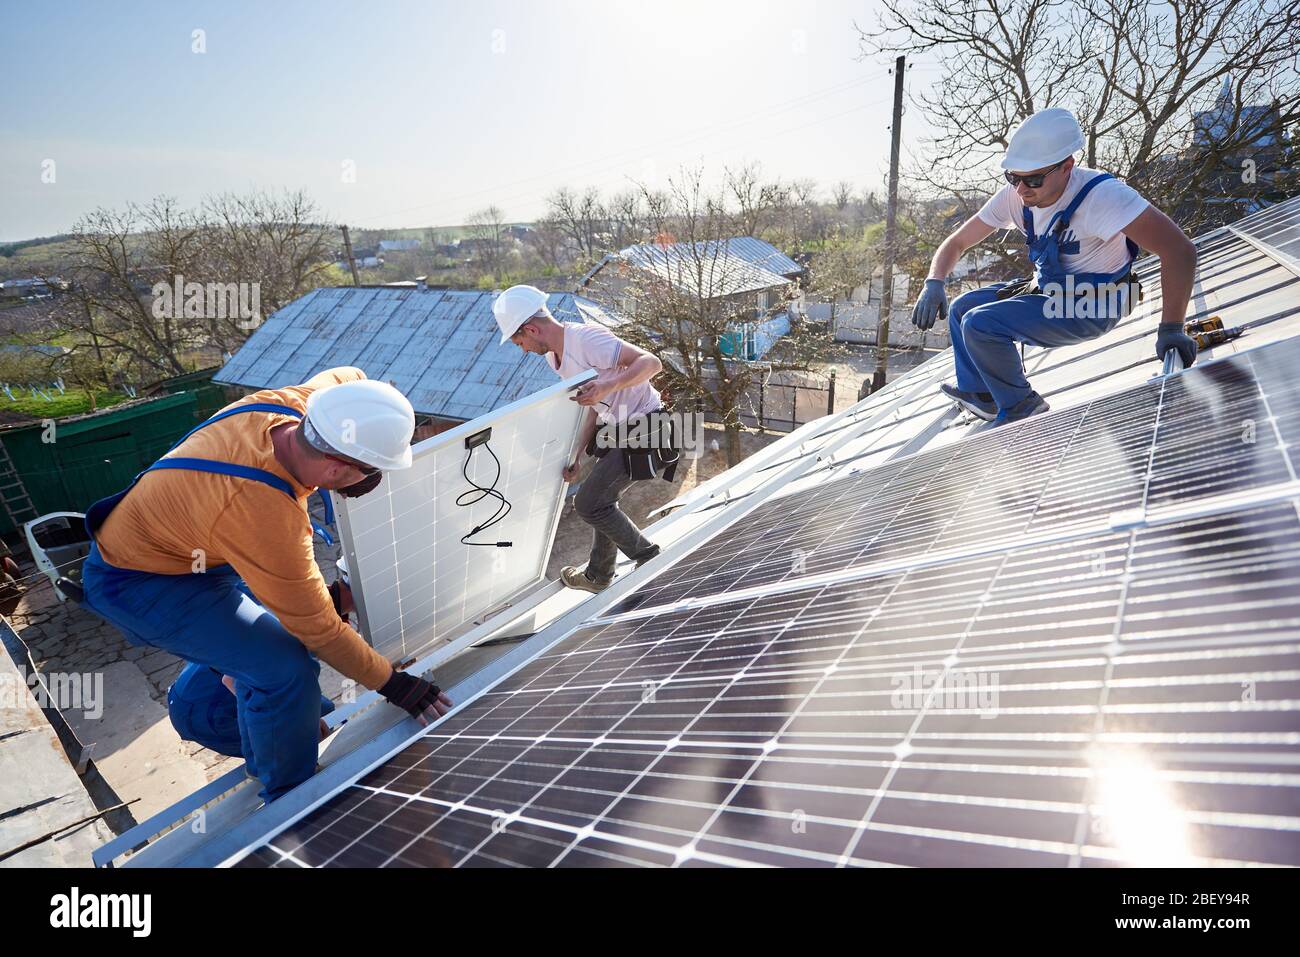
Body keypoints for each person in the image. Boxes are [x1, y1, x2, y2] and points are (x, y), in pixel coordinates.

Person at [80, 369, 453, 802]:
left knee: (268, 655)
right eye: (372, 471)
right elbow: (320, 630)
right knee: (285, 669)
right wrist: (399, 687)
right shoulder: (264, 515)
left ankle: (255, 701)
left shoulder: (299, 406)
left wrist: (381, 413)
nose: (376, 480)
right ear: (334, 467)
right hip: (141, 583)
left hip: (192, 545)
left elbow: (349, 375)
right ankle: (291, 794)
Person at [911, 107, 1199, 426]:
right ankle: (985, 396)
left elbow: (1179, 250)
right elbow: (957, 242)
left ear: (1067, 167)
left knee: (981, 324)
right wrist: (934, 280)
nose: (1021, 190)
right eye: (1013, 178)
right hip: (1053, 293)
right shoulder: (1017, 197)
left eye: (1033, 179)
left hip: (1097, 301)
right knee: (963, 308)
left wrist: (1171, 328)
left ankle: (1022, 406)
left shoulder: (1103, 197)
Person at [493, 285, 677, 594]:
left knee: (589, 503)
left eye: (519, 340)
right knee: (600, 500)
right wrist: (578, 455)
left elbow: (651, 364)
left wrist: (609, 386)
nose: (522, 348)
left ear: (532, 328)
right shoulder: (555, 359)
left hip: (648, 426)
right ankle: (599, 574)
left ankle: (649, 557)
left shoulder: (586, 339)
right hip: (620, 430)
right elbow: (591, 404)